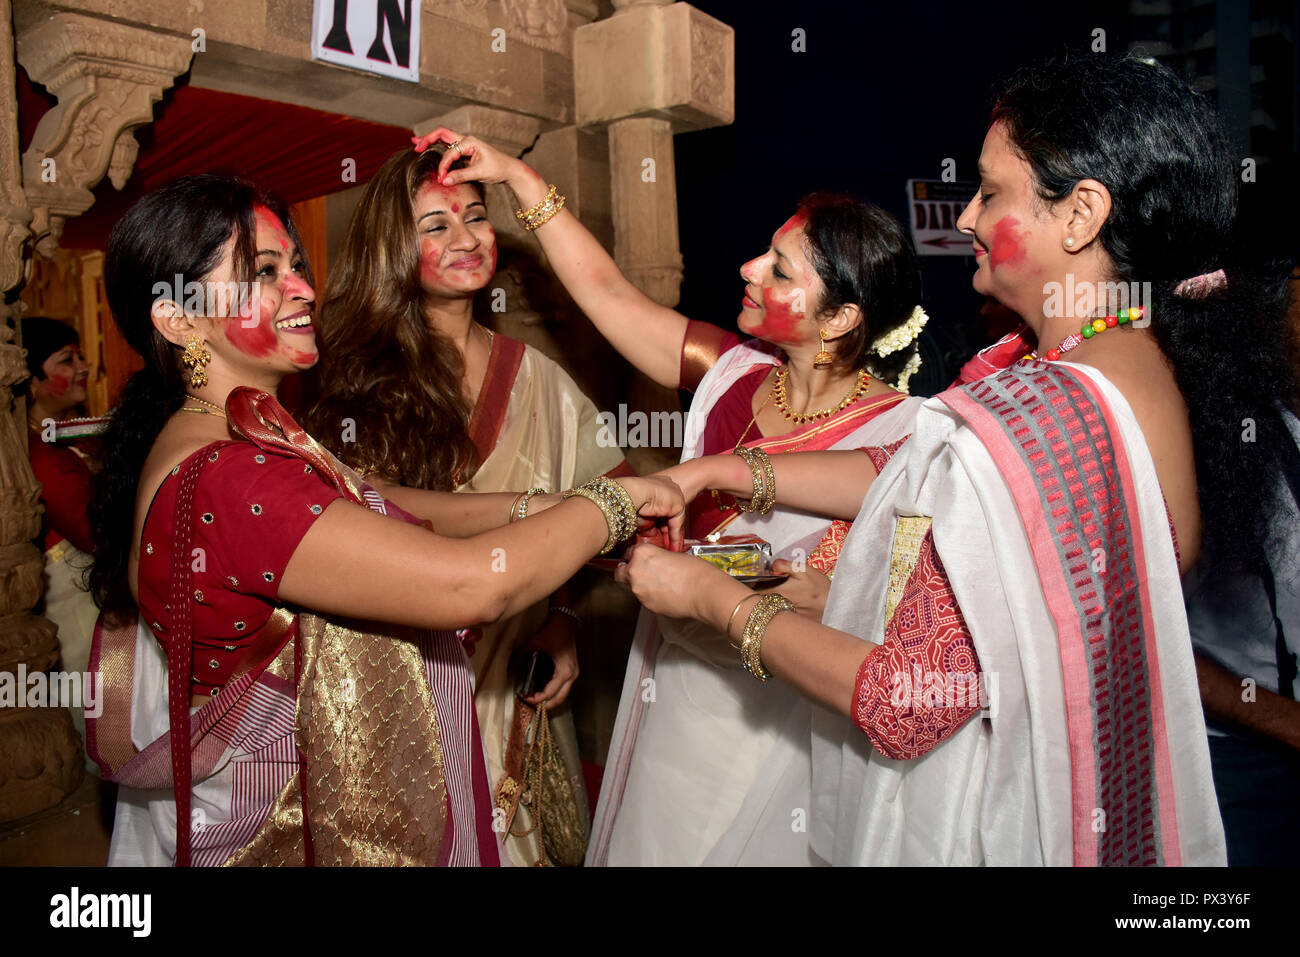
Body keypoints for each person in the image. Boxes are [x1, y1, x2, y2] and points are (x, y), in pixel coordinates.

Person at [616, 54, 1297, 865]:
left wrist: (707, 597)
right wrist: (719, 472)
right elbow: (916, 479)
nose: (966, 216)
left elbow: (906, 699)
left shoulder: (1047, 418)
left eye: (991, 191)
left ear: (1080, 214)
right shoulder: (1129, 355)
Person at [84, 173, 684, 867]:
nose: (304, 288)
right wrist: (610, 506)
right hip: (290, 828)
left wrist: (539, 506)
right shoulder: (230, 475)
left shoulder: (230, 435)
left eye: (296, 265)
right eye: (264, 273)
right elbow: (468, 587)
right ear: (180, 319)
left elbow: (374, 498)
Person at [417, 131, 930, 863]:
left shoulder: (907, 435)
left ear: (841, 318)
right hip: (679, 697)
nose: (749, 268)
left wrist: (832, 592)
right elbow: (606, 296)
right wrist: (518, 179)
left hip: (795, 720)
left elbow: (925, 613)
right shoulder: (730, 375)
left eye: (778, 268)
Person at [303, 143, 632, 866]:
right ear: (394, 248)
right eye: (435, 227)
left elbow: (600, 511)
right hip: (399, 683)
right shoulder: (351, 382)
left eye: (476, 217)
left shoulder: (540, 379)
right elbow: (344, 538)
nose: (468, 239)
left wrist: (563, 619)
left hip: (512, 681)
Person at [23, 316, 103, 753]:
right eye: (66, 360)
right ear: (31, 380)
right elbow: (96, 531)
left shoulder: (65, 439)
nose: (83, 367)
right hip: (75, 610)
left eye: (80, 356)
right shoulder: (41, 457)